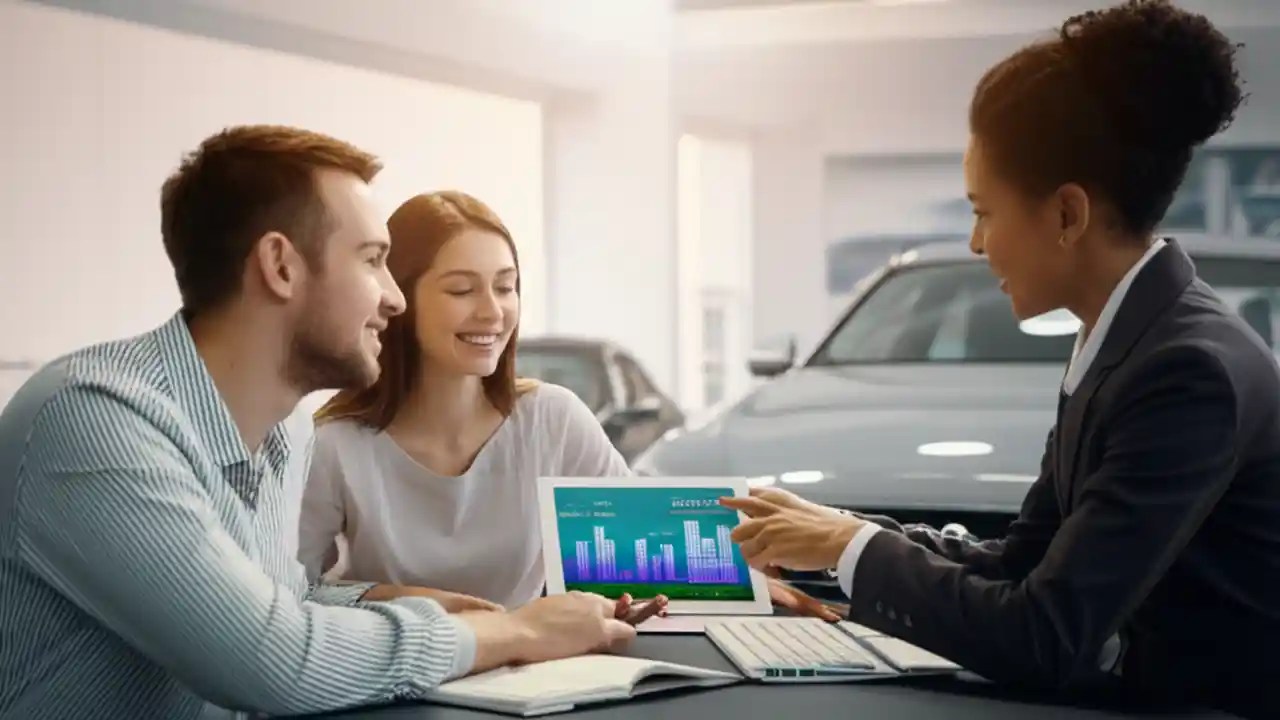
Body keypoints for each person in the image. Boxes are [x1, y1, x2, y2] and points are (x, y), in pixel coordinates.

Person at [721, 2, 1279, 718]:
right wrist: (839, 533)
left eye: (984, 211)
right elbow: (1026, 562)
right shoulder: (1131, 338)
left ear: (1067, 216)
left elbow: (1042, 635)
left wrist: (850, 545)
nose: (979, 244)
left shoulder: (1186, 372)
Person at [0, 126, 651, 720]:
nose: (392, 297)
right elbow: (272, 659)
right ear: (280, 267)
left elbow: (282, 597)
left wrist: (403, 603)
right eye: (372, 260)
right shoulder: (92, 420)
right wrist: (515, 631)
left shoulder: (286, 432)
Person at [297, 191, 832, 621]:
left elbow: (636, 549)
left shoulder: (551, 417)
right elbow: (291, 596)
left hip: (537, 675)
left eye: (506, 288)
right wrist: (403, 598)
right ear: (400, 298)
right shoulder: (336, 444)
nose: (492, 312)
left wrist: (744, 586)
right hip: (402, 678)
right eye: (461, 290)